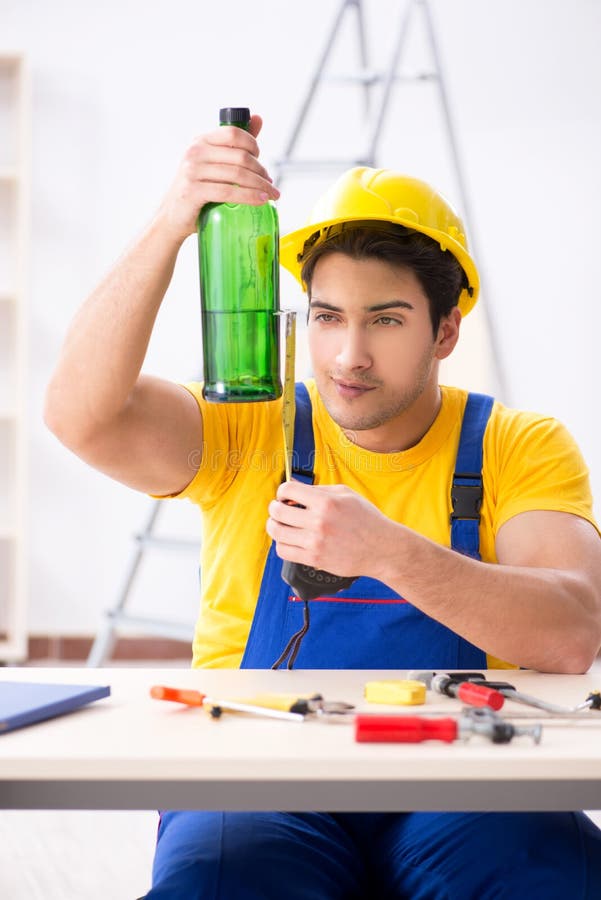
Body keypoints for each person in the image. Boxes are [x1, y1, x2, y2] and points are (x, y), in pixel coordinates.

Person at [45, 113, 601, 899]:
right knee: (220, 884)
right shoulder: (250, 424)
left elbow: (571, 632)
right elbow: (79, 415)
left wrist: (386, 551)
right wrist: (172, 221)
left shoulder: (517, 444)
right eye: (329, 317)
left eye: (385, 320)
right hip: (259, 775)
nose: (349, 357)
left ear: (445, 331)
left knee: (547, 878)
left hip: (464, 776)